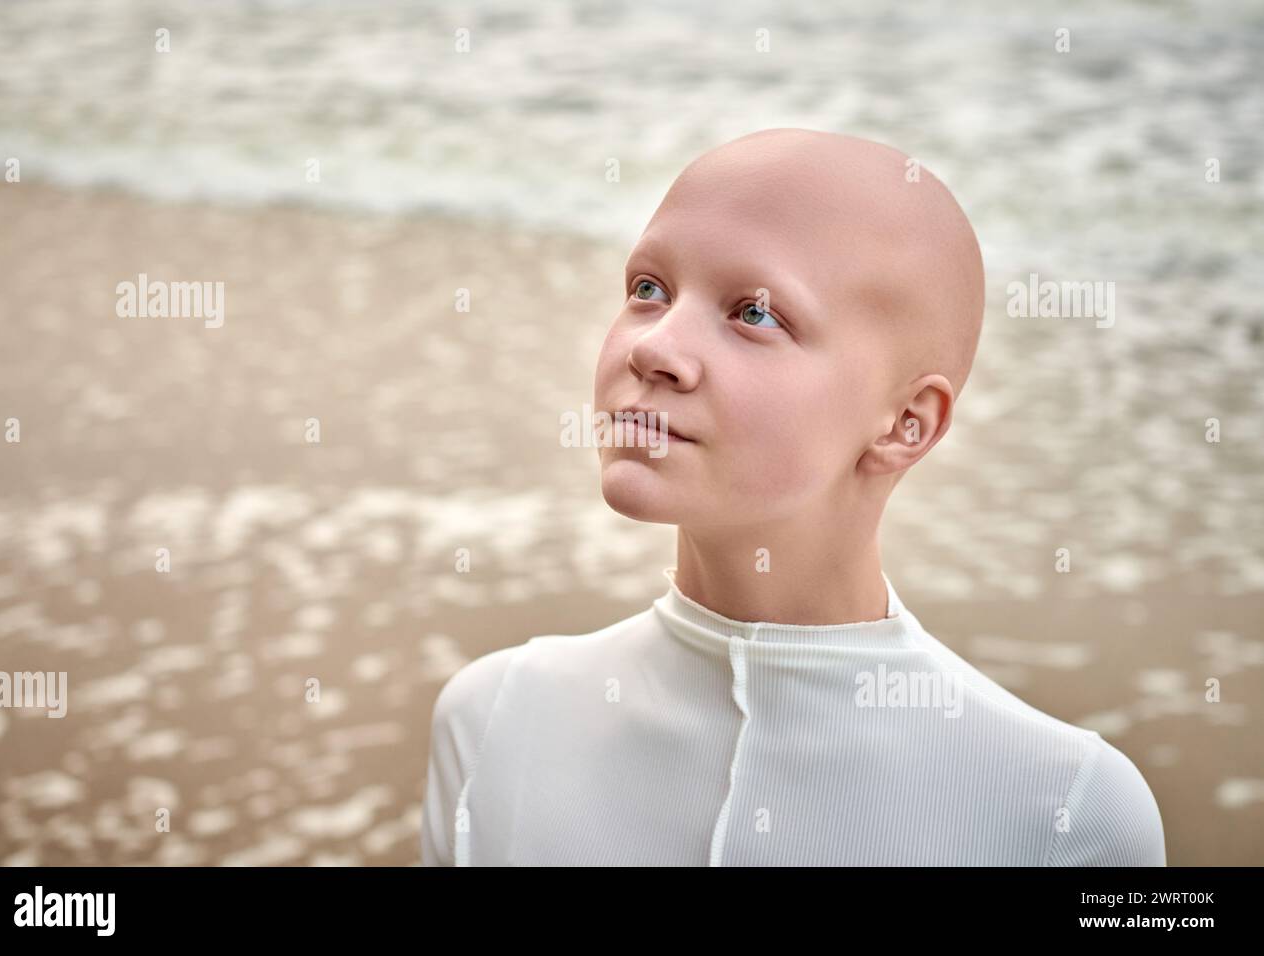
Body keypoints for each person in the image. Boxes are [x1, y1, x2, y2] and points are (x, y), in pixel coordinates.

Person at [420, 129, 1166, 866]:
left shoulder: (1066, 815)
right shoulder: (492, 724)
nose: (653, 349)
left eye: (755, 314)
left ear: (906, 425)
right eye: (649, 289)